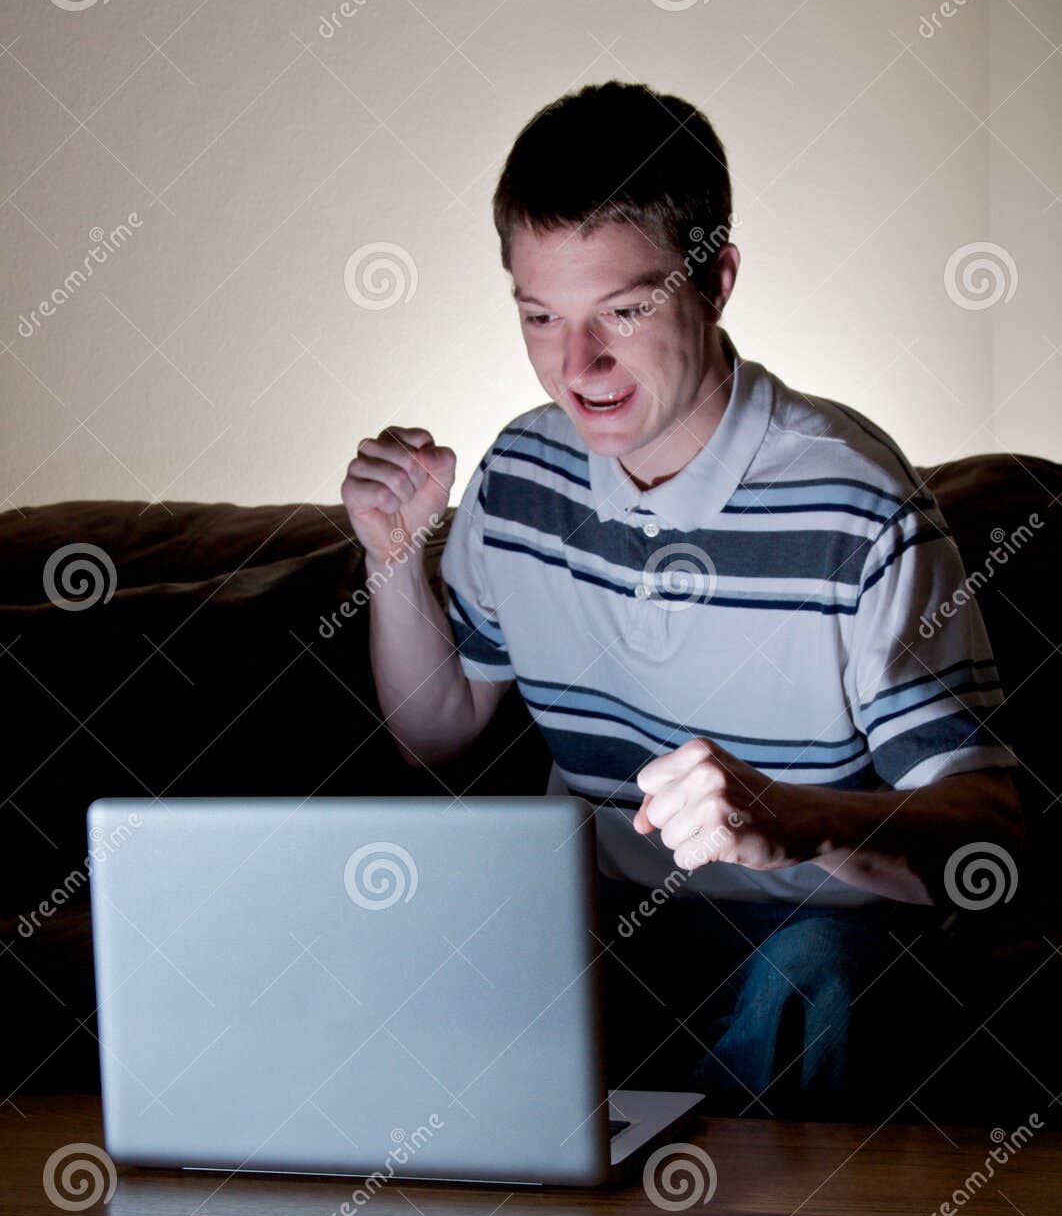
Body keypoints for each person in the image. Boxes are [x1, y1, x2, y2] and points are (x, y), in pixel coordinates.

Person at [340, 80, 1025, 1118]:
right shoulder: (522, 477)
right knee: (414, 951)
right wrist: (394, 562)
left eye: (624, 310)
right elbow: (434, 735)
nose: (580, 367)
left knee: (821, 976)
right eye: (541, 317)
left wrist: (789, 819)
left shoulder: (855, 502)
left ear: (717, 281)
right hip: (591, 929)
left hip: (811, 929)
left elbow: (994, 835)